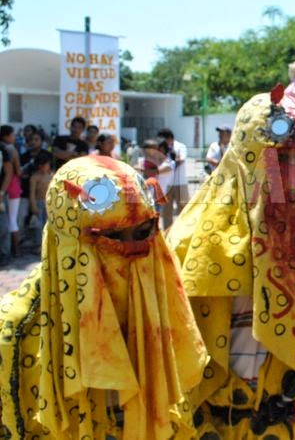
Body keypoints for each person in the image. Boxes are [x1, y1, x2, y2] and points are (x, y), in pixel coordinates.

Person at [167, 86, 295, 438]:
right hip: (221, 425)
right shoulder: (189, 246)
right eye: (282, 164)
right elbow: (174, 365)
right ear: (248, 159)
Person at [0, 156, 208, 438]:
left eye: (143, 232)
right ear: (68, 242)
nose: (131, 251)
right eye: (113, 236)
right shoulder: (15, 333)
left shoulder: (166, 300)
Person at [156, 128, 188, 228]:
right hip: (167, 184)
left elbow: (182, 159)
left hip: (180, 183)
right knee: (166, 212)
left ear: (169, 138)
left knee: (183, 210)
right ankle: (167, 233)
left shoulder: (180, 146)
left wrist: (171, 165)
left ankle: (183, 232)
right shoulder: (162, 148)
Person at [1, 126, 22, 257]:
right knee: (12, 220)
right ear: (7, 135)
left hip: (6, 188)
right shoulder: (10, 149)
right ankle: (15, 250)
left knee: (8, 220)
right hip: (12, 187)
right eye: (12, 135)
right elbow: (17, 171)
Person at [26, 154, 51, 249]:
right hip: (39, 202)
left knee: (49, 224)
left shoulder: (51, 175)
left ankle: (48, 244)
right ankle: (39, 245)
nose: (46, 166)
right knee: (39, 226)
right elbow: (32, 193)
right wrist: (33, 206)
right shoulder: (35, 177)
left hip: (48, 202)